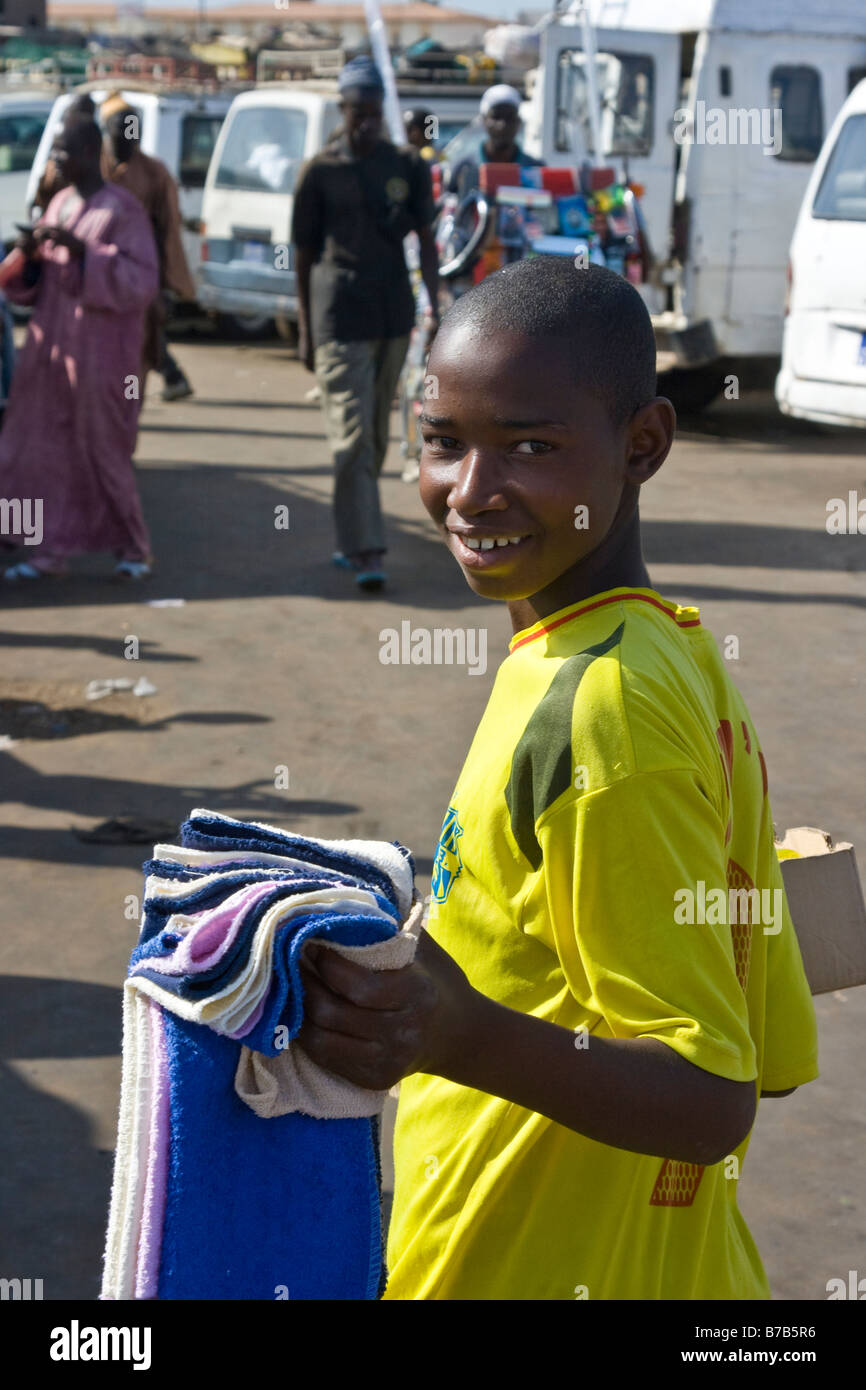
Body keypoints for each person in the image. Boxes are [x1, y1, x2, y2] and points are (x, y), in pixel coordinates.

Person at [296, 258, 819, 1300]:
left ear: (642, 444)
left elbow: (710, 1092)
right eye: (443, 442)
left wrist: (451, 1030)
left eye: (529, 446)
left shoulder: (600, 704)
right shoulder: (648, 645)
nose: (471, 490)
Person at [291, 55, 440, 591]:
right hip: (338, 317)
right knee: (352, 438)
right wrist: (306, 330)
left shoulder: (406, 165)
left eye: (375, 111)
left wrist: (436, 305)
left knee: (374, 437)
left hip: (392, 317)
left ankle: (347, 536)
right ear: (342, 109)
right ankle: (368, 550)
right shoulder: (320, 171)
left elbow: (425, 238)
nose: (367, 121)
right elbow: (303, 254)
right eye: (358, 111)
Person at [0, 117, 159, 580]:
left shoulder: (121, 210)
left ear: (89, 153)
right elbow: (32, 285)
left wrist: (85, 252)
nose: (55, 162)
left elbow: (140, 282)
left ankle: (133, 547)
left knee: (102, 451)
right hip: (51, 353)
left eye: (62, 152)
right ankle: (39, 550)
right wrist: (30, 255)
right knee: (29, 449)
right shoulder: (61, 204)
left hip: (101, 356)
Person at [101, 98, 197, 402]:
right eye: (120, 134)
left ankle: (133, 399)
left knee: (140, 342)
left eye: (133, 134)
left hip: (140, 275)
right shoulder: (95, 168)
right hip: (98, 275)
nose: (128, 140)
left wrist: (166, 284)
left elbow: (168, 228)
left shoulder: (154, 174)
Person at [445, 83, 541, 200]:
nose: (502, 125)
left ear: (518, 122)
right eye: (496, 117)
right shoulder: (466, 167)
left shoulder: (535, 170)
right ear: (484, 120)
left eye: (509, 117)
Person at [30, 93, 97, 216]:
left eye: (85, 114)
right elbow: (40, 200)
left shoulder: (100, 156)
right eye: (77, 113)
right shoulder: (54, 166)